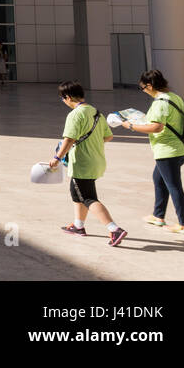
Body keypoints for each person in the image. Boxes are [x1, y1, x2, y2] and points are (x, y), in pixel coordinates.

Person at [49, 80, 125, 246]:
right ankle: (78, 225)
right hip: (96, 160)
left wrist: (56, 158)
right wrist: (93, 144)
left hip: (82, 163)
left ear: (68, 97)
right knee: (78, 194)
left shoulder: (75, 115)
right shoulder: (95, 112)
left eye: (62, 99)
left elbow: (69, 139)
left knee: (88, 198)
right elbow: (108, 136)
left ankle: (114, 229)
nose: (63, 102)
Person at [118, 69, 184, 235]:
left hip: (168, 151)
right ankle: (158, 216)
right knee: (158, 179)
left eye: (143, 88)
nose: (143, 91)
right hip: (182, 148)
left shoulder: (160, 102)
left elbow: (156, 127)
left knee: (174, 186)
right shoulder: (175, 97)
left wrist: (130, 126)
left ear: (150, 86)